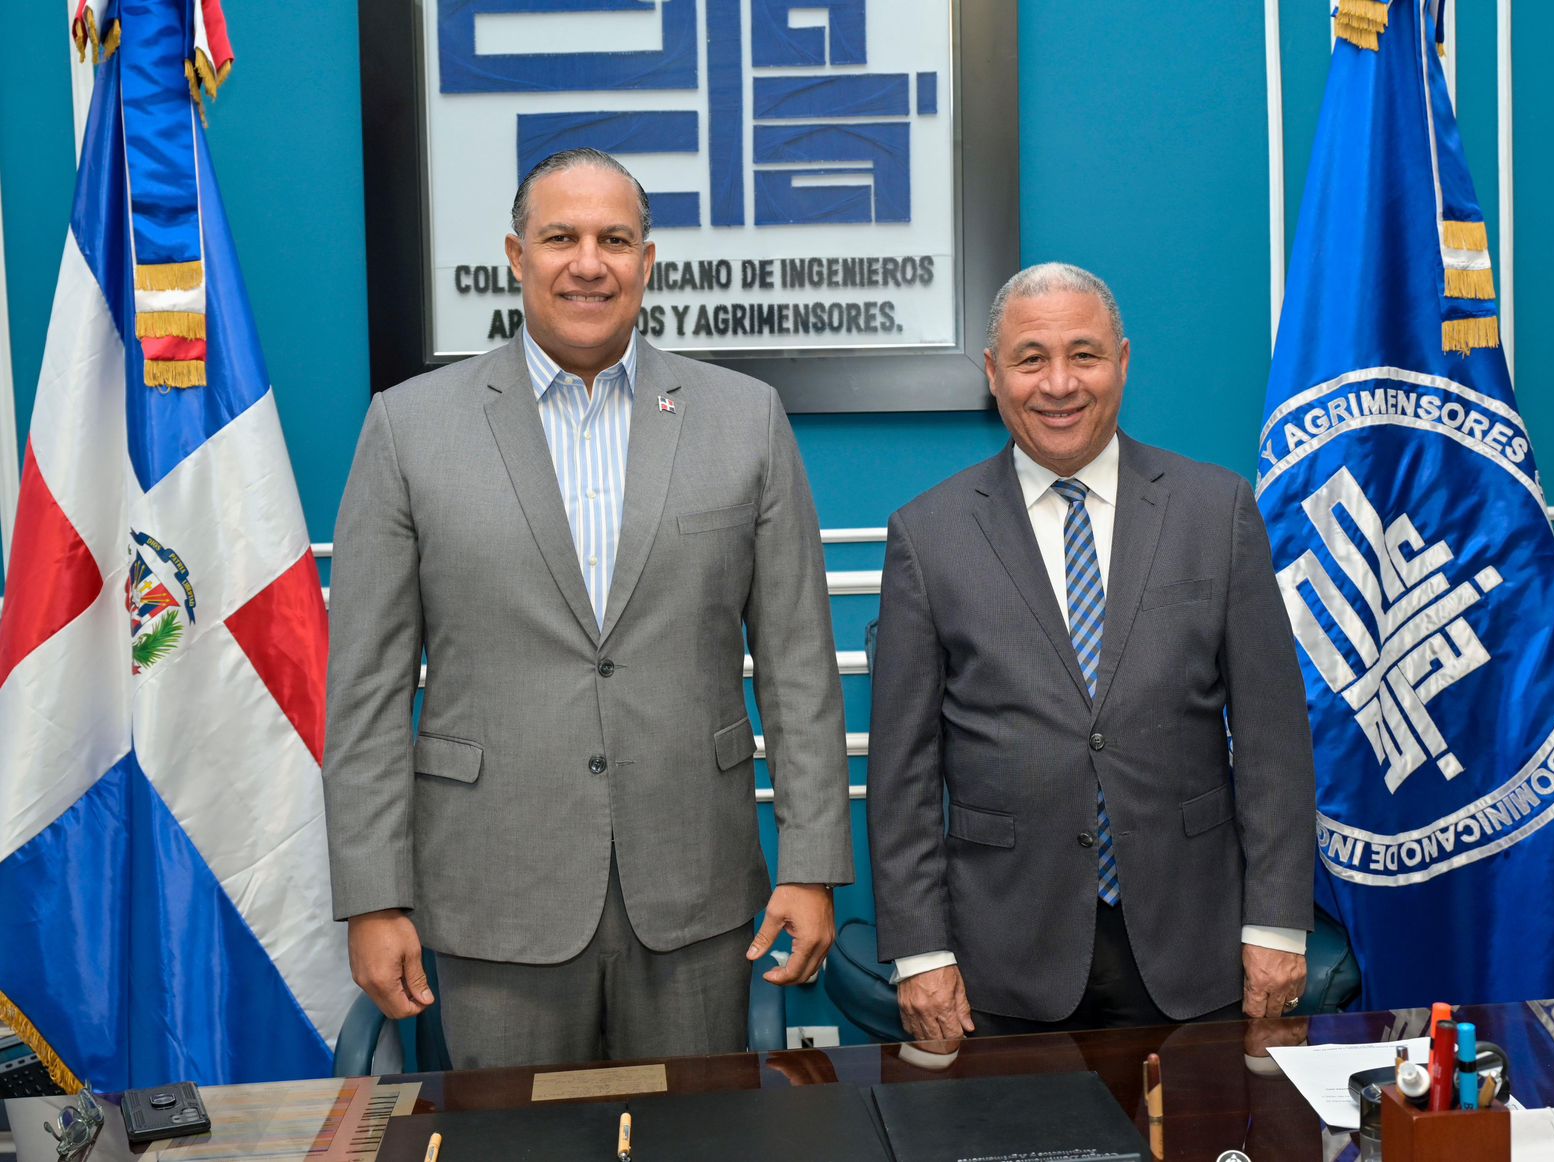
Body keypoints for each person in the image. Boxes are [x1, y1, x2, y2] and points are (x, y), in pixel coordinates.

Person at [323, 148, 852, 1067]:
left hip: (697, 891)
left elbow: (799, 664)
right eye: (560, 237)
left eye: (615, 239)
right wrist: (373, 898)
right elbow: (365, 688)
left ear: (648, 262)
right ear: (514, 256)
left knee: (700, 1147)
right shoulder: (407, 427)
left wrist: (810, 868)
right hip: (496, 893)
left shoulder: (746, 417)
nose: (588, 262)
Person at [867, 263, 1315, 1040]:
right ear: (993, 374)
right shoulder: (927, 536)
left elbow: (1275, 740)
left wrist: (1276, 927)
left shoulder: (1217, 511)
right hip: (1001, 960)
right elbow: (902, 771)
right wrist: (919, 952)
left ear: (1124, 362)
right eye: (1031, 358)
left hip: (1197, 948)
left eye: (1085, 354)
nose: (1060, 384)